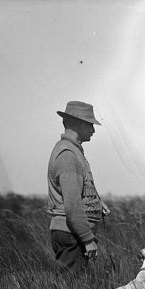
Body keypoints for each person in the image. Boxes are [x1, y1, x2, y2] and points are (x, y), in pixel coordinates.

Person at [46, 100, 110, 273]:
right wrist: (87, 239)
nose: (93, 130)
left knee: (74, 284)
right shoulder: (68, 155)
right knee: (72, 285)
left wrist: (97, 202)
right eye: (90, 125)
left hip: (73, 234)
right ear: (78, 124)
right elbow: (72, 204)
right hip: (71, 235)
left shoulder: (72, 151)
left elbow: (77, 190)